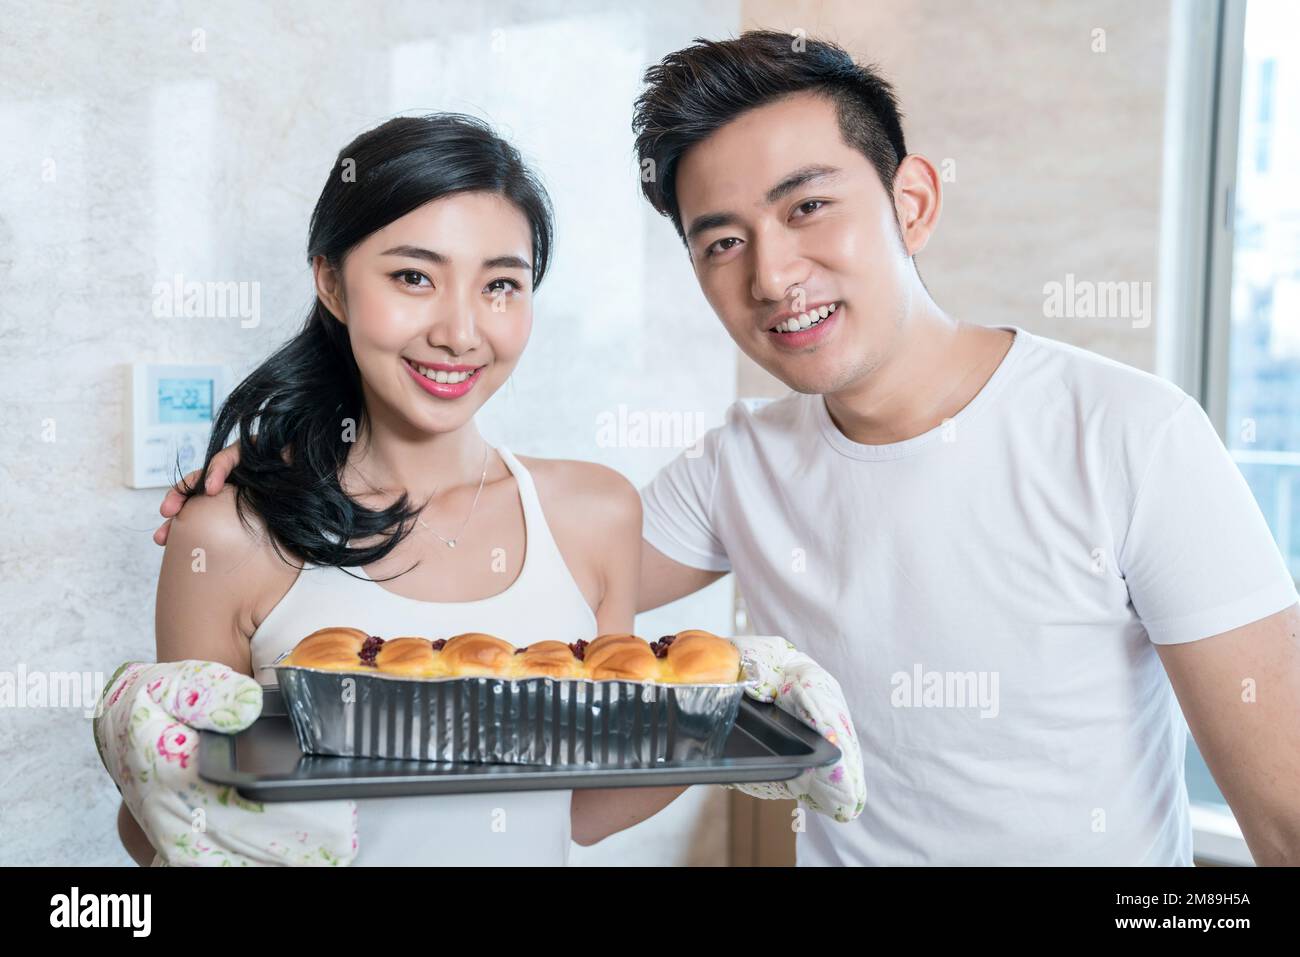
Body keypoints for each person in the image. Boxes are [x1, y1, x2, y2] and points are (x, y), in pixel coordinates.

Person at [162, 33, 1300, 867]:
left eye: (809, 209)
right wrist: (268, 491)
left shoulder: (1131, 436)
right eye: (721, 241)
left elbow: (1285, 813)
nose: (770, 275)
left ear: (912, 200)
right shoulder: (735, 466)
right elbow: (487, 571)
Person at [117, 112, 687, 866]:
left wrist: (734, 717)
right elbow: (175, 824)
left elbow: (583, 805)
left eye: (501, 285)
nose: (459, 330)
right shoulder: (228, 534)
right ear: (333, 283)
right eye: (413, 276)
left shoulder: (595, 514)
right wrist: (138, 755)